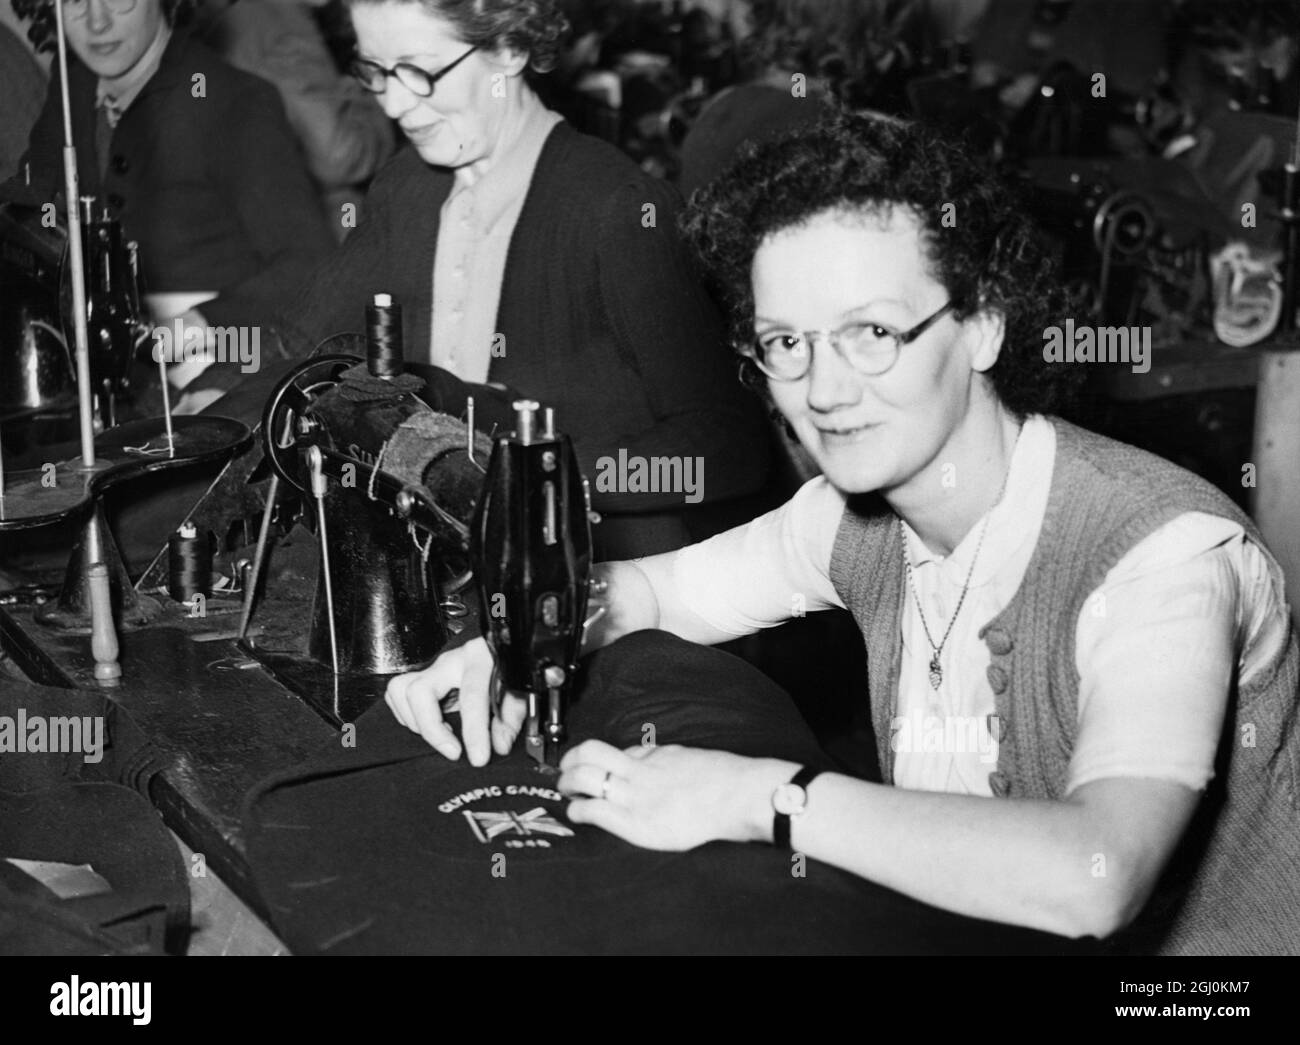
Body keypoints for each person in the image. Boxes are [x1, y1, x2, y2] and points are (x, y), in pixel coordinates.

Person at [385, 111, 1300, 955]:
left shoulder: (1164, 555)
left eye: (870, 332)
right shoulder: (856, 515)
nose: (823, 390)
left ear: (982, 326)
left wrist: (758, 797)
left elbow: (1096, 874)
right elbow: (655, 592)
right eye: (787, 342)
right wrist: (516, 635)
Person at [193, 0, 771, 560]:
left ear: (510, 46)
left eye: (419, 71)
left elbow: (727, 448)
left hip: (596, 571)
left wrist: (530, 478)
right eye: (376, 71)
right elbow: (299, 346)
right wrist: (193, 431)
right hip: (443, 562)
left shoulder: (620, 210)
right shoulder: (407, 188)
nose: (394, 104)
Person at [4, 0, 336, 338]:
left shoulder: (236, 100)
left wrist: (198, 325)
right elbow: (30, 202)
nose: (97, 22)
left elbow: (309, 265)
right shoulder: (74, 86)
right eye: (75, 0)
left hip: (225, 356)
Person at [198, 0, 397, 231]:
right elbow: (341, 157)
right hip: (325, 226)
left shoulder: (243, 19)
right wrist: (377, 101)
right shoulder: (276, 25)